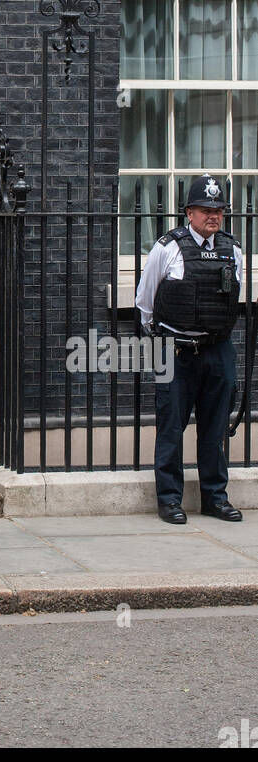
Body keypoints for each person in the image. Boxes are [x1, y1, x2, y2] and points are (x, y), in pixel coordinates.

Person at [135, 172, 243, 525]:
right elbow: (144, 302)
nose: (213, 215)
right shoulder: (167, 248)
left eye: (219, 210)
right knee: (171, 428)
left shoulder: (233, 250)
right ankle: (169, 499)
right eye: (205, 209)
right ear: (189, 213)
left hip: (218, 349)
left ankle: (215, 497)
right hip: (176, 350)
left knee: (214, 429)